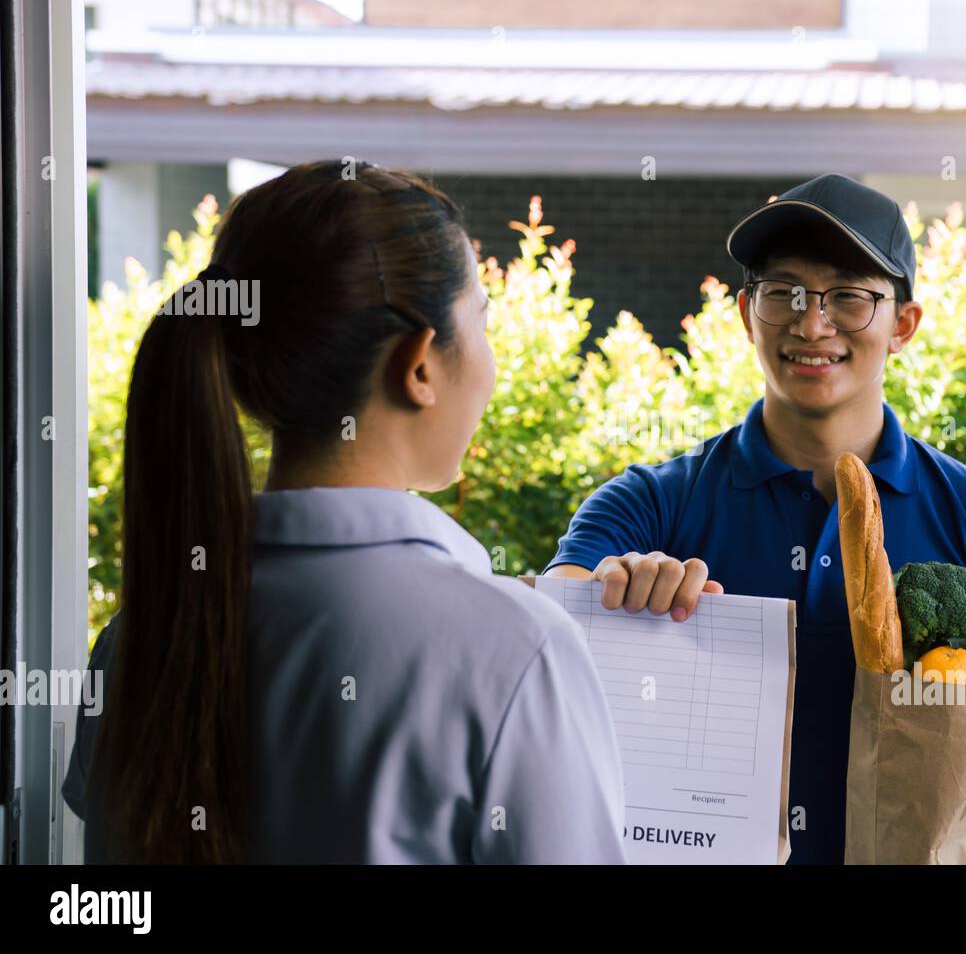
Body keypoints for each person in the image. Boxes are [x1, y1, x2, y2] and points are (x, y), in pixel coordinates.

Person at [545, 173, 966, 865]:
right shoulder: (649, 503)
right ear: (748, 313)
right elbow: (553, 616)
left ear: (903, 325)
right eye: (785, 293)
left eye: (849, 297)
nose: (811, 323)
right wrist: (612, 584)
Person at [63, 160, 626, 865]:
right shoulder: (512, 653)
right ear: (420, 365)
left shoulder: (140, 638)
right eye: (481, 322)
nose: (490, 361)